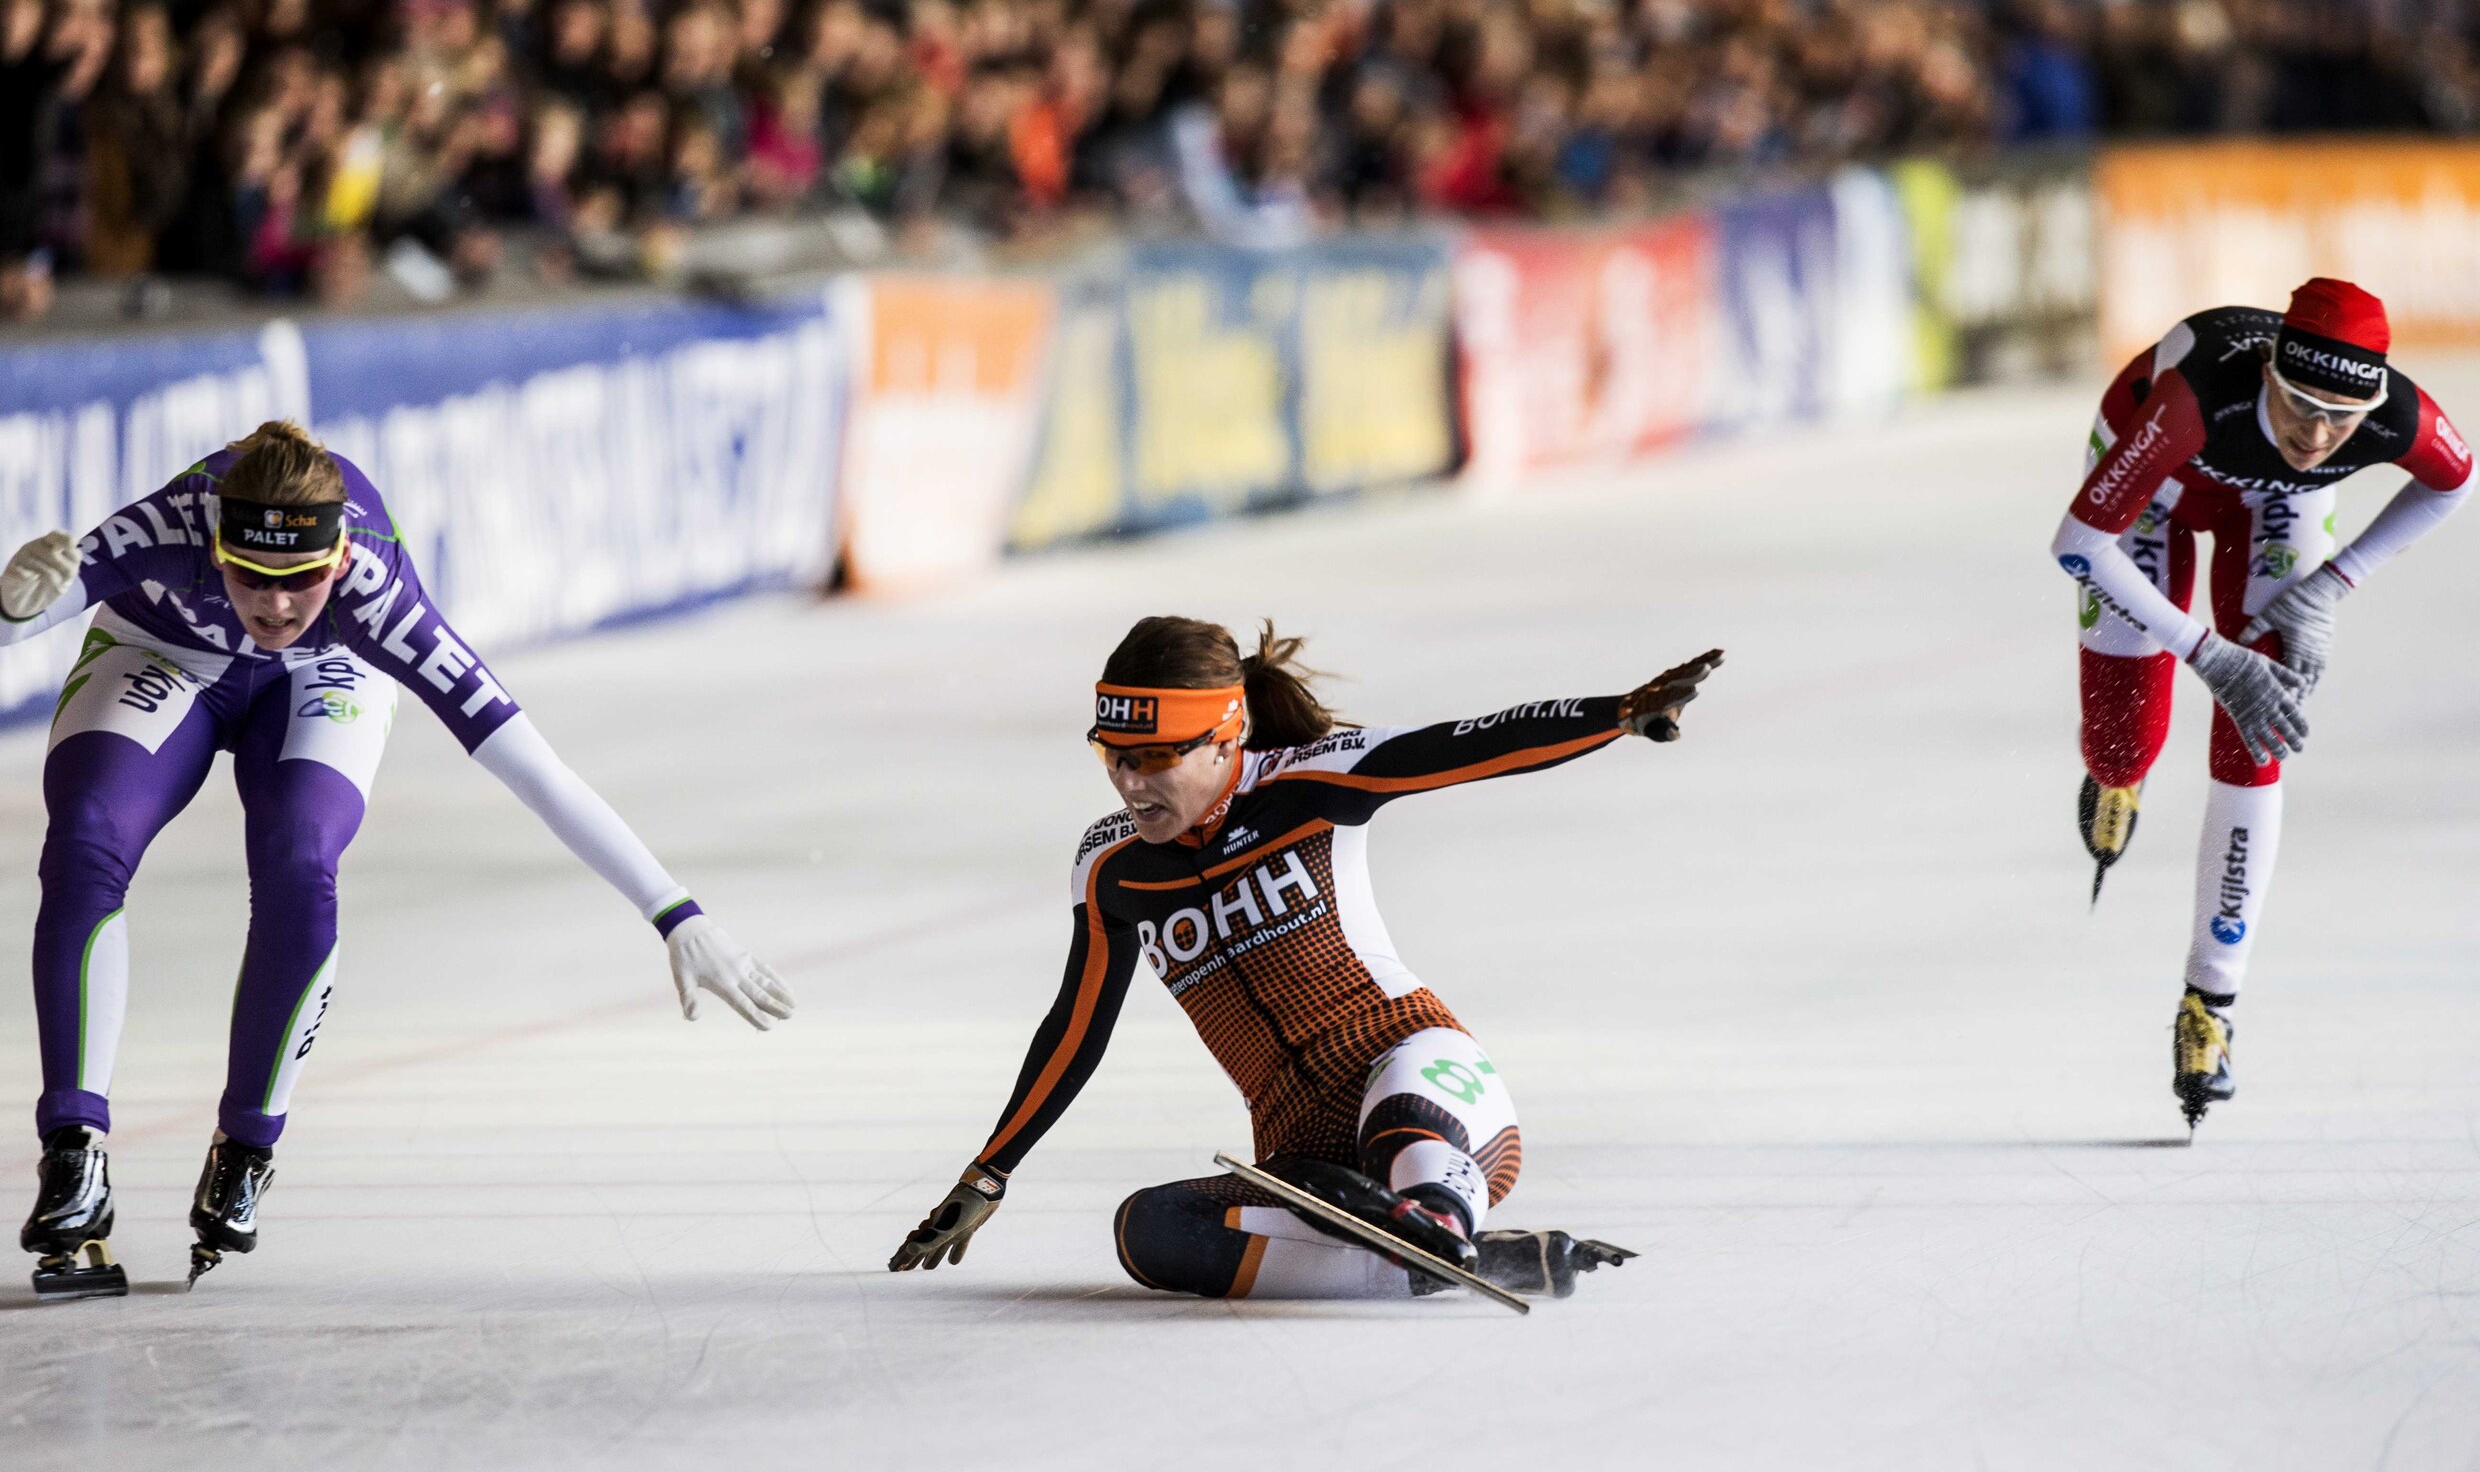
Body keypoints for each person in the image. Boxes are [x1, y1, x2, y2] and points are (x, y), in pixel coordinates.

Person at [6, 420, 794, 1295]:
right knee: (84, 837)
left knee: (301, 860)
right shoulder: (173, 523)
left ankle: (249, 1144)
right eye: (251, 577)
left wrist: (673, 909)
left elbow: (532, 764)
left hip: (326, 669)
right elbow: (27, 612)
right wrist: (11, 607)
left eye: (300, 579)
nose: (273, 606)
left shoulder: (374, 594)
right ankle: (74, 1149)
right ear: (214, 544)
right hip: (166, 649)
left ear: (339, 559)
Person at [889, 616, 1719, 1300]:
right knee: (1148, 1232)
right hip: (1304, 1158)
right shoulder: (1112, 867)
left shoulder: (1308, 782)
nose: (1131, 784)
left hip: (1424, 1079)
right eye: (1113, 754)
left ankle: (1435, 1222)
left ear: (1226, 737)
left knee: (1400, 1121)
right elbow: (1075, 1026)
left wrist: (1614, 714)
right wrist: (988, 1174)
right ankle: (1462, 1258)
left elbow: (1468, 745)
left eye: (1155, 757)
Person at [2050, 279, 2471, 1129]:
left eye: (2342, 420)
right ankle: (2118, 774)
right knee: (2125, 738)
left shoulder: (2399, 418)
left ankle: (2212, 1004)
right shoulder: (2192, 399)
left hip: (2273, 509)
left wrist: (2333, 586)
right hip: (2151, 496)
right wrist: (2207, 652)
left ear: (2374, 406)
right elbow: (2079, 544)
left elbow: (2454, 482)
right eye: (2299, 405)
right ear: (2268, 375)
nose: (2316, 436)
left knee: (2259, 727)